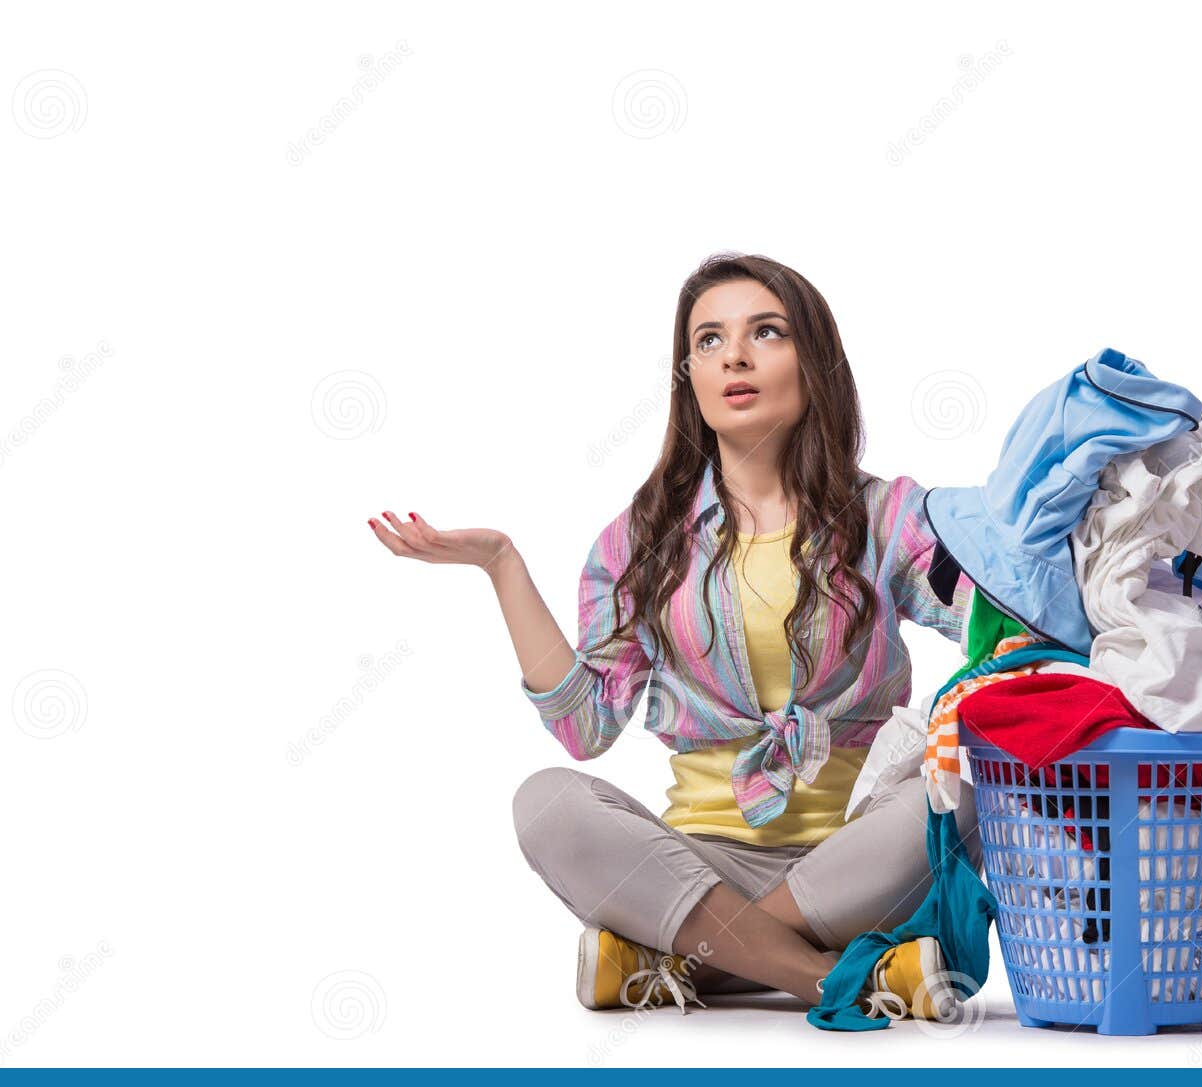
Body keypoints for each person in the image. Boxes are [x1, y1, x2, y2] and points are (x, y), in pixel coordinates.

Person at [368, 252, 980, 1019]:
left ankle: (686, 960)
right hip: (696, 865)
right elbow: (586, 729)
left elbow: (990, 629)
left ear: (815, 361)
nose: (735, 356)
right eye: (708, 341)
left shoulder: (890, 516)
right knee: (546, 803)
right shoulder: (642, 540)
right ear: (687, 375)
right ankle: (838, 979)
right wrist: (502, 565)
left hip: (858, 857)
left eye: (766, 332)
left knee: (977, 771)